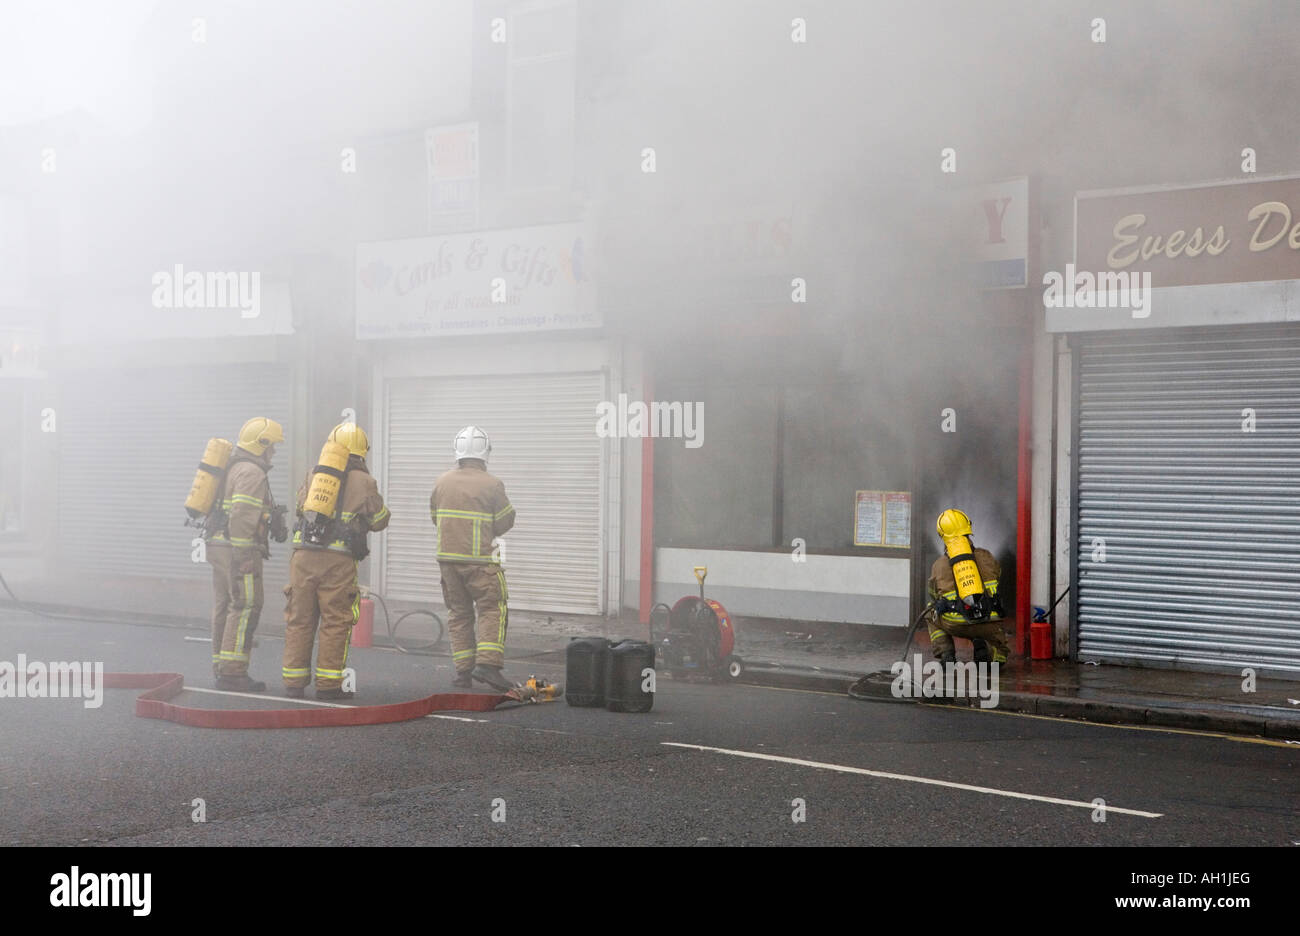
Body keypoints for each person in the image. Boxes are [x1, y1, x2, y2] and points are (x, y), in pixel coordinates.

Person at [282, 422, 389, 700]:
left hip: (303, 556)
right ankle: (329, 686)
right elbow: (379, 521)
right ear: (361, 452)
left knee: (300, 618)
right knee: (335, 620)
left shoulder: (314, 474)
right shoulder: (365, 482)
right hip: (337, 561)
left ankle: (294, 683)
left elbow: (299, 508)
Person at [429, 425, 516, 691]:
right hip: (480, 562)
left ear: (457, 452)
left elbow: (435, 517)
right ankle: (488, 666)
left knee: (459, 614)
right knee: (492, 607)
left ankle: (463, 672)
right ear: (485, 452)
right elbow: (505, 522)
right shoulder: (492, 484)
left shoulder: (441, 481)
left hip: (447, 561)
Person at [214, 417, 285, 691]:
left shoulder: (232, 466)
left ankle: (221, 666)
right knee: (246, 605)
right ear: (262, 445)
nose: (274, 451)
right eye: (273, 446)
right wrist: (244, 554)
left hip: (219, 545)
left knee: (225, 605)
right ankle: (233, 672)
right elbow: (243, 514)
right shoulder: (252, 472)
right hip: (238, 548)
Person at [926, 508, 1009, 665]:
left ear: (942, 535)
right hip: (989, 619)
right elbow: (998, 576)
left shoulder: (939, 564)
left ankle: (946, 654)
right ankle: (993, 653)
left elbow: (933, 593)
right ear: (968, 531)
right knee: (990, 622)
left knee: (931, 613)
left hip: (956, 622)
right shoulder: (986, 555)